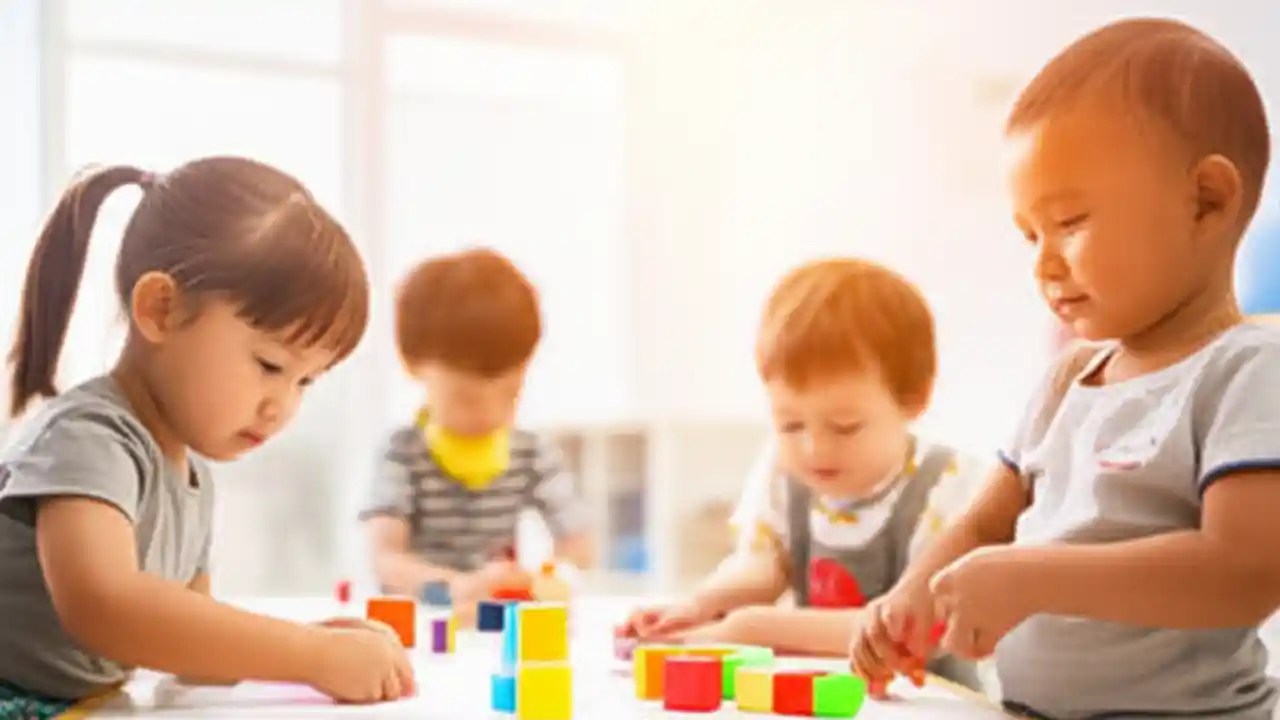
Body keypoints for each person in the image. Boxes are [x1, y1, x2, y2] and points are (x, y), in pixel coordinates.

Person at [850, 18, 1280, 719]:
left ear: (1206, 200)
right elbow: (985, 524)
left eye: (1072, 222)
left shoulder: (1246, 373)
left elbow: (1246, 573)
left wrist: (1033, 578)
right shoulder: (1066, 380)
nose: (1044, 264)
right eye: (1030, 235)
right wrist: (911, 595)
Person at [0, 158, 414, 719]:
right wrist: (308, 654)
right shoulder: (90, 438)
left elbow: (184, 645)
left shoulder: (189, 476)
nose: (282, 405)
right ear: (161, 310)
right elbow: (106, 606)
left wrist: (312, 644)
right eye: (269, 364)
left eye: (306, 381)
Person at [621, 258, 985, 689]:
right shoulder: (781, 468)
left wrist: (753, 628)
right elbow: (763, 564)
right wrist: (701, 604)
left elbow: (914, 631)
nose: (814, 449)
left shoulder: (950, 487)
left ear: (914, 399)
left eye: (845, 427)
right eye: (790, 424)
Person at [361, 248, 593, 619]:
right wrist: (451, 588)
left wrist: (550, 579)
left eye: (511, 393)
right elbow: (386, 558)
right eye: (465, 398)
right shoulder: (402, 452)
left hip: (495, 625)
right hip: (423, 623)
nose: (490, 413)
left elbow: (579, 540)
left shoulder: (531, 452)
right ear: (412, 364)